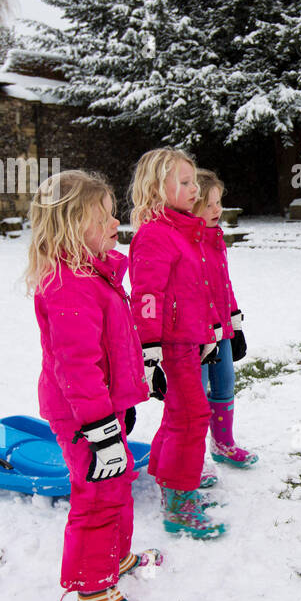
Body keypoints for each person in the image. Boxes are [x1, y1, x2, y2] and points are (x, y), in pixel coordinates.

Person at [26, 169, 160, 601]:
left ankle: (114, 560)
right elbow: (77, 368)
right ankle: (94, 595)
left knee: (117, 487)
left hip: (104, 410)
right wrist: (102, 432)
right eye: (100, 216)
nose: (114, 222)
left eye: (111, 213)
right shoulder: (68, 286)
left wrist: (130, 392)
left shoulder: (97, 275)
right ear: (67, 225)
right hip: (85, 417)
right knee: (96, 496)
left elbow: (114, 345)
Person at [127, 148, 227, 539]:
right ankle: (178, 500)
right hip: (170, 343)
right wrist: (149, 352)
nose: (194, 188)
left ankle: (171, 478)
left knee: (182, 413)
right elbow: (147, 295)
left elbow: (197, 289)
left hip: (190, 339)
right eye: (184, 183)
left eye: (193, 181)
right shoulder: (155, 235)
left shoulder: (184, 229)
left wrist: (209, 333)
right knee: (191, 416)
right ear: (156, 188)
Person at [194, 169, 259, 469]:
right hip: (197, 336)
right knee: (194, 399)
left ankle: (223, 444)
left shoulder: (216, 240)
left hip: (222, 331)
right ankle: (194, 460)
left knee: (225, 386)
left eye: (218, 202)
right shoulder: (187, 246)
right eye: (208, 204)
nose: (216, 210)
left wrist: (236, 325)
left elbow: (225, 286)